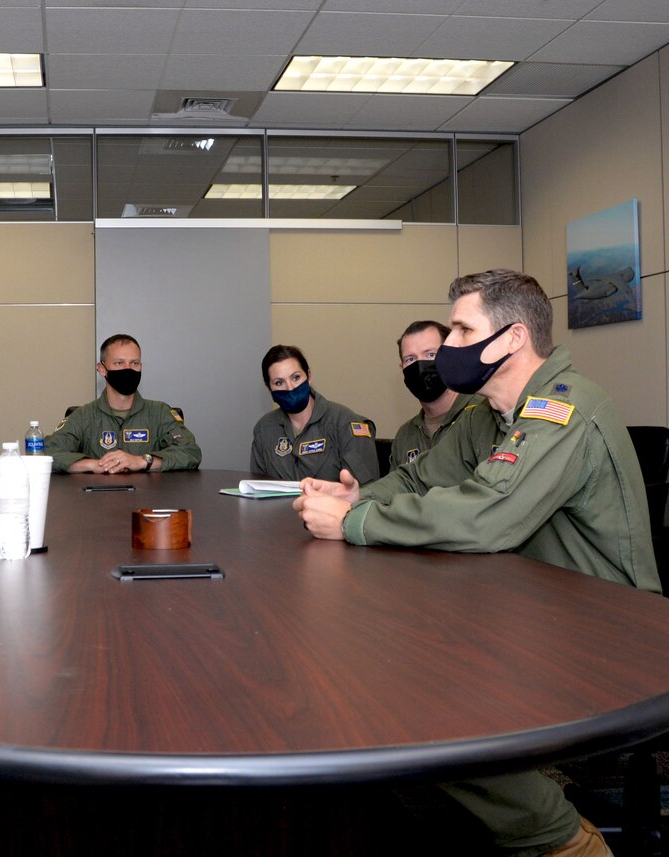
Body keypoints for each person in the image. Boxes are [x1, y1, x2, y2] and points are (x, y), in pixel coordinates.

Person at [294, 269, 659, 857]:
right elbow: (419, 476)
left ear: (512, 338)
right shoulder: (484, 415)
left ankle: (562, 840)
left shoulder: (563, 411)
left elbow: (489, 513)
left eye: (463, 329)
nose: (449, 348)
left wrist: (355, 525)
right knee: (384, 660)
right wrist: (356, 497)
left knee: (422, 702)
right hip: (530, 605)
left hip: (608, 633)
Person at [45, 333, 201, 473]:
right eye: (119, 363)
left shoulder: (159, 413)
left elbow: (190, 451)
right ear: (102, 369)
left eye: (134, 363)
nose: (128, 369)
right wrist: (94, 465)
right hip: (97, 500)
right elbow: (47, 453)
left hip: (148, 499)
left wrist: (142, 461)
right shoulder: (83, 416)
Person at [250, 344, 379, 483]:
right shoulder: (264, 430)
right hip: (280, 506)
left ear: (309, 376)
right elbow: (258, 491)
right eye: (279, 382)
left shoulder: (345, 423)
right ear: (269, 388)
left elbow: (368, 493)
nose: (290, 388)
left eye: (296, 377)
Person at [390, 319, 481, 470]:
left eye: (431, 354)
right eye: (410, 359)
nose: (420, 366)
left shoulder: (482, 416)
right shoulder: (405, 436)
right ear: (402, 368)